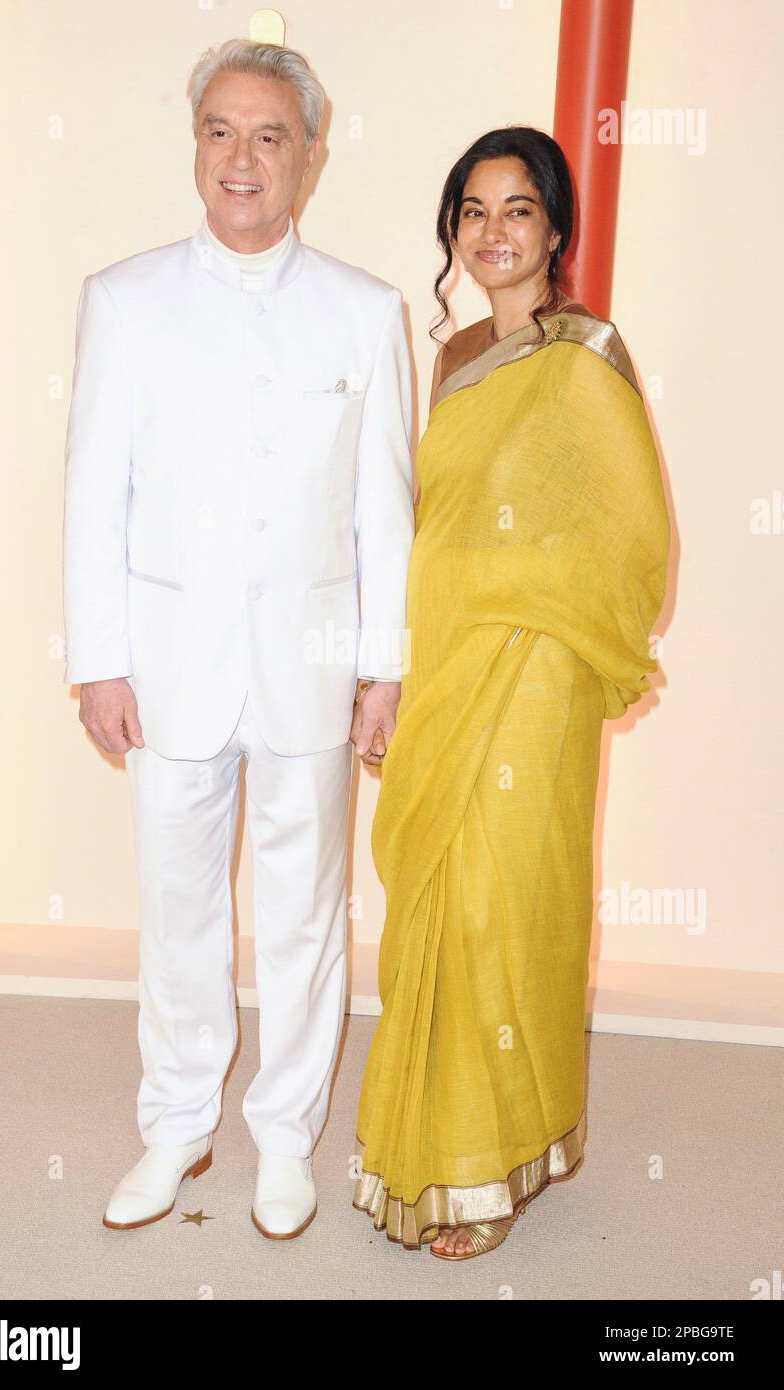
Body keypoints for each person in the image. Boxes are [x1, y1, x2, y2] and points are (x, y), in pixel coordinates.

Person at [62, 38, 414, 1237]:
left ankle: (283, 1140)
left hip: (314, 670)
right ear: (196, 145)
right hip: (163, 669)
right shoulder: (123, 299)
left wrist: (386, 663)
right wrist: (96, 657)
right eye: (222, 130)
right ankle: (173, 1129)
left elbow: (385, 510)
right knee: (178, 910)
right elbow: (90, 494)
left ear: (310, 156)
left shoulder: (368, 314)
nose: (244, 157)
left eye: (272, 134)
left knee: (308, 914)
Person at [352, 127, 670, 1259]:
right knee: (434, 904)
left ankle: (498, 1167)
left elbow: (634, 532)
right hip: (447, 666)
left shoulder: (586, 353)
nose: (493, 231)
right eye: (472, 211)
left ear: (556, 231)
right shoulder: (448, 363)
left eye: (517, 209)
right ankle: (447, 1137)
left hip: (533, 675)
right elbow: (428, 529)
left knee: (505, 904)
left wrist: (546, 615)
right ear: (453, 232)